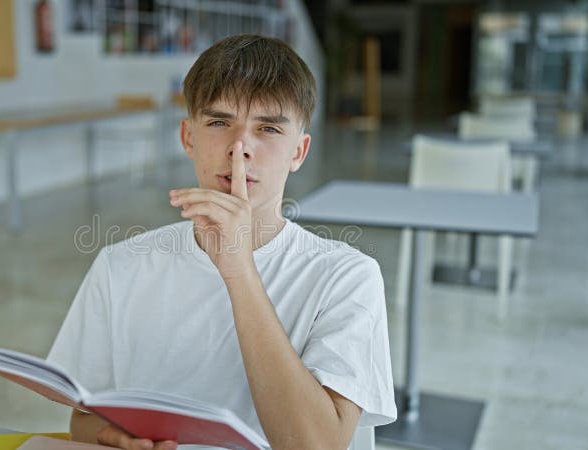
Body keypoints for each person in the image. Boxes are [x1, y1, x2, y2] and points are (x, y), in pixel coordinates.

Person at [47, 34, 397, 450]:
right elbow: (83, 420)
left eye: (267, 128)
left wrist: (238, 269)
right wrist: (114, 438)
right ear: (188, 137)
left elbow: (317, 445)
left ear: (298, 152)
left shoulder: (347, 277)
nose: (239, 148)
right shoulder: (119, 264)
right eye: (218, 122)